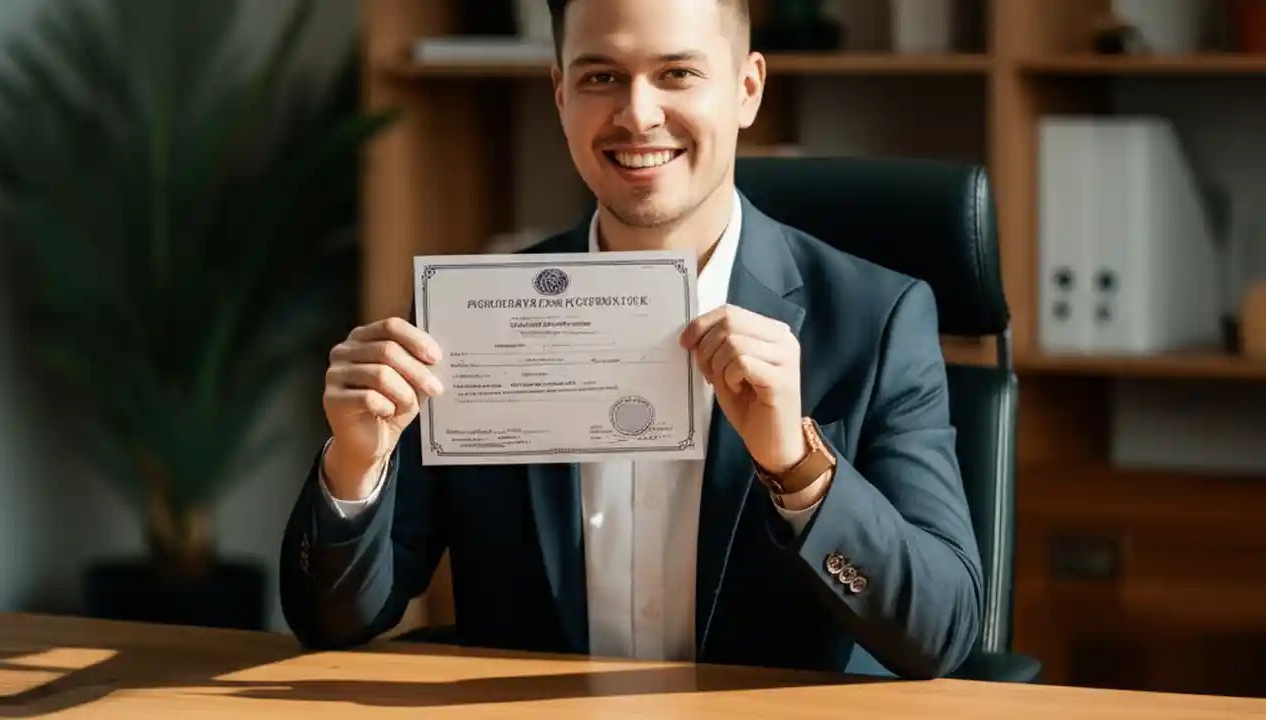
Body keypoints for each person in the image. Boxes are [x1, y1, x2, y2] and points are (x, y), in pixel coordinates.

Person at [280, 0, 982, 679]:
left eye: (677, 73)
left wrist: (797, 466)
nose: (637, 114)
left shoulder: (876, 319)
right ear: (560, 96)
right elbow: (334, 624)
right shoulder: (468, 318)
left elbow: (941, 634)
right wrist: (357, 466)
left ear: (746, 89)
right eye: (600, 77)